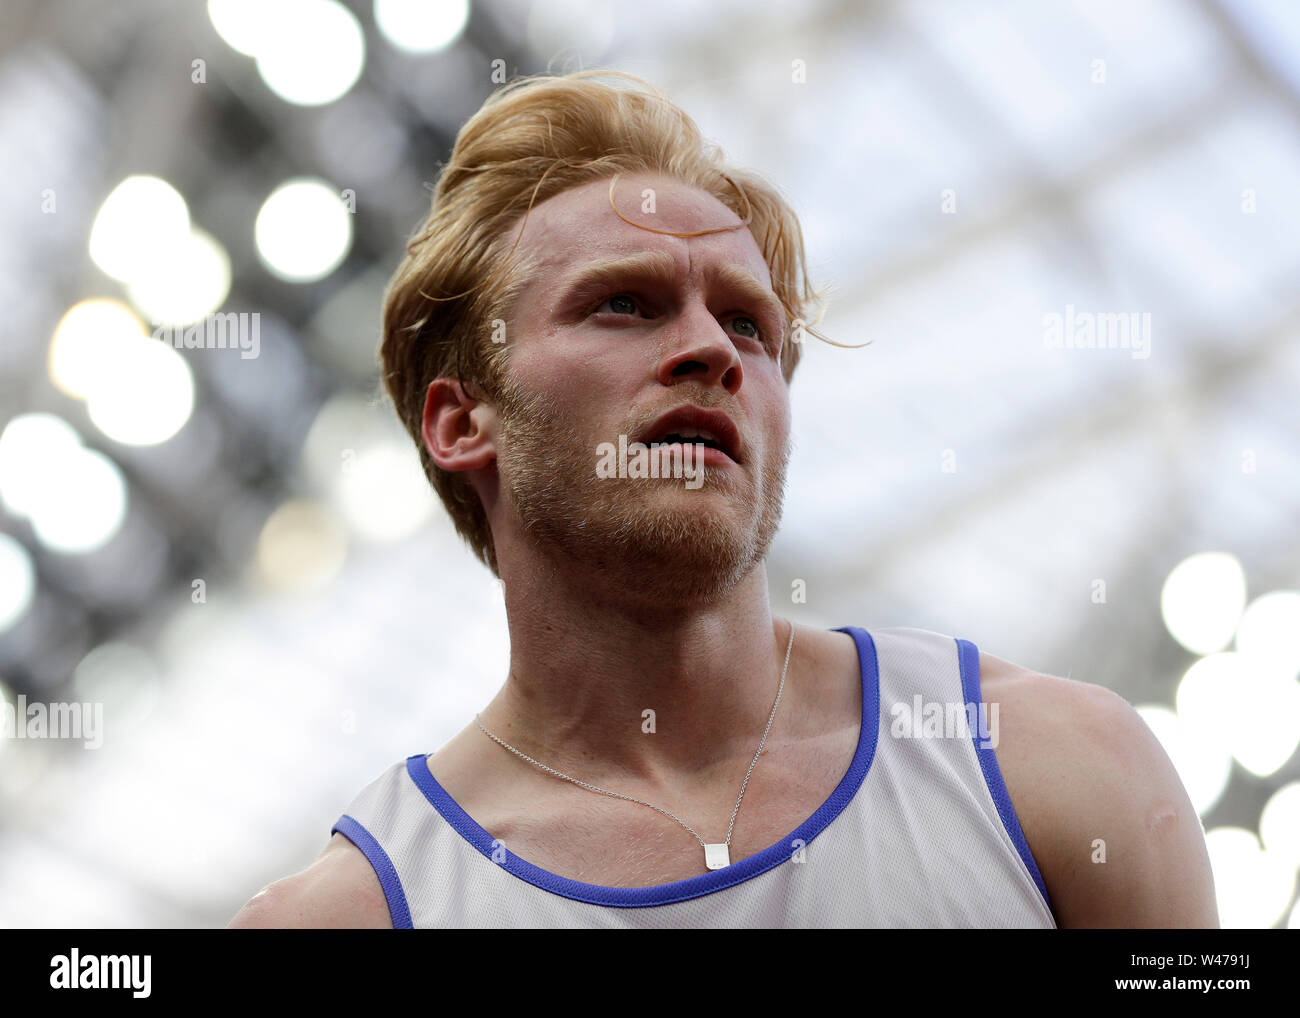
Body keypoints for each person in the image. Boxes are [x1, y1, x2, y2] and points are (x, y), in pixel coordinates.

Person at [228, 70, 1217, 929]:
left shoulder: (1063, 764)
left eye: (748, 324)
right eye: (623, 302)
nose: (712, 352)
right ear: (462, 421)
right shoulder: (351, 914)